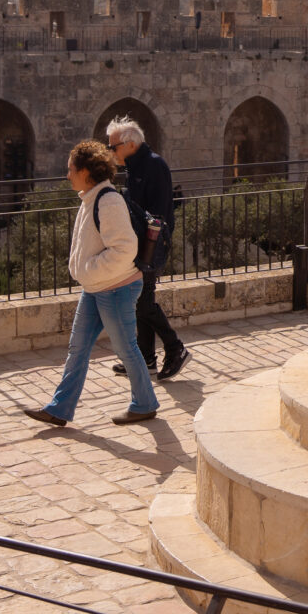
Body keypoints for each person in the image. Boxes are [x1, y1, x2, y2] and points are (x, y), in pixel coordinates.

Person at [23, 140, 160, 428]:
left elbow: (124, 249)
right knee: (78, 347)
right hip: (97, 287)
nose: (67, 175)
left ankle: (145, 403)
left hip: (116, 287)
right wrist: (89, 275)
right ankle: (59, 408)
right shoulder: (91, 197)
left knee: (126, 348)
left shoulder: (108, 201)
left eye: (71, 169)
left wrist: (89, 271)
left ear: (86, 171)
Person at [104, 118, 187, 381]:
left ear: (130, 144)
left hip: (150, 244)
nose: (111, 152)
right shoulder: (134, 166)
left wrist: (147, 247)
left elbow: (158, 214)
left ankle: (176, 348)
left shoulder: (154, 165)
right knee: (141, 301)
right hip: (137, 242)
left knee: (144, 302)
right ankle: (146, 359)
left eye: (113, 147)